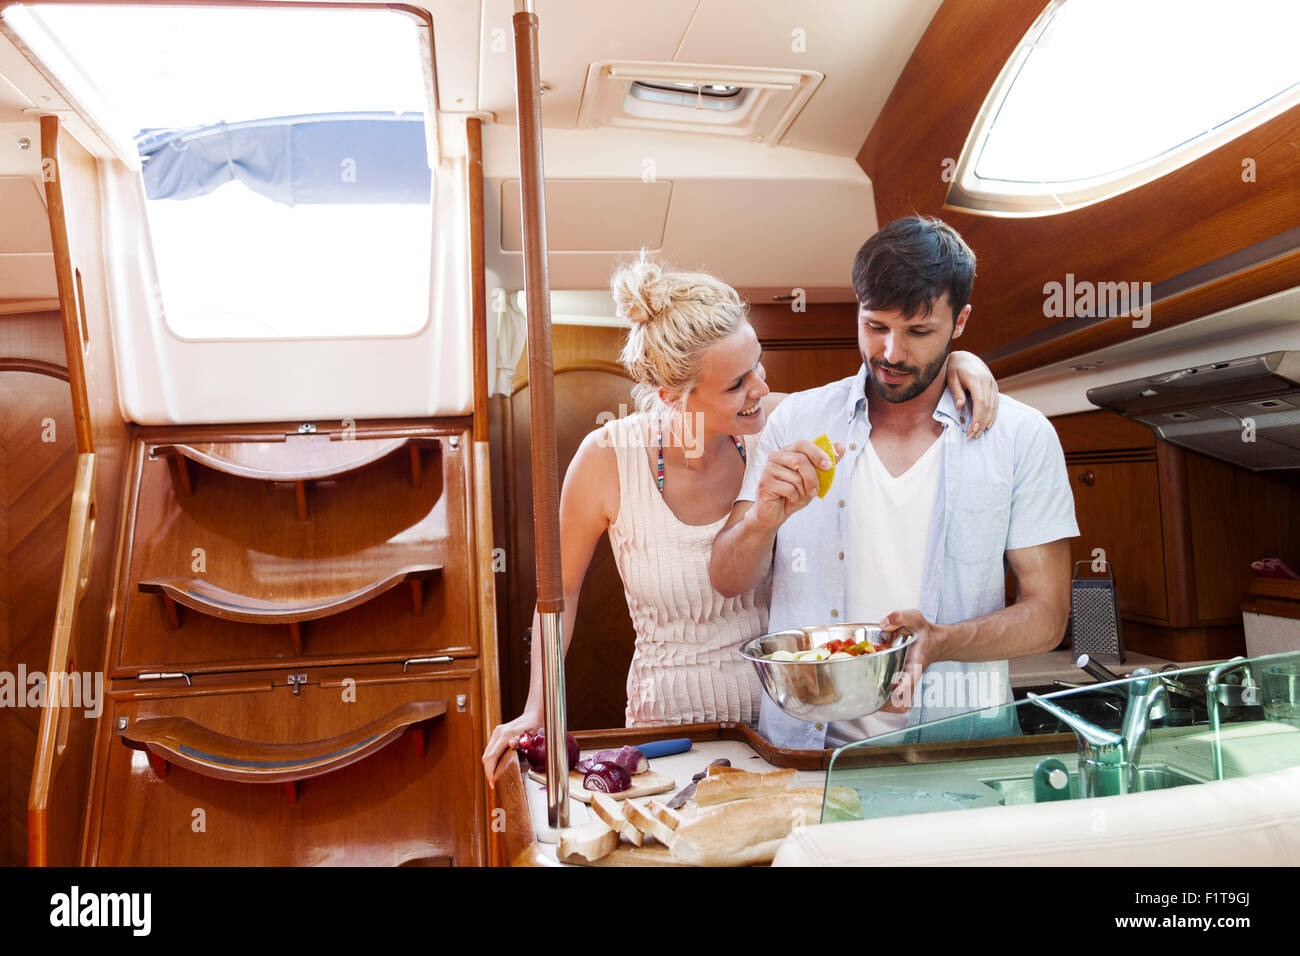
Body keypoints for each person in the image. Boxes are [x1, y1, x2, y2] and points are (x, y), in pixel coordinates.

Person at [482, 252, 1002, 783]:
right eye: (735, 383)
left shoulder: (778, 421)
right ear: (672, 397)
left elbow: (879, 391)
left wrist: (959, 362)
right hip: (664, 731)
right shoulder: (605, 458)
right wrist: (537, 711)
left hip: (783, 726)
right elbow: (558, 595)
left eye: (757, 362)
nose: (760, 386)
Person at [709, 216, 1078, 748]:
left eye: (919, 332)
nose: (891, 353)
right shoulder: (794, 422)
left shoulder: (1021, 438)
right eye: (875, 326)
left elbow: (1048, 617)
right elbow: (726, 579)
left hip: (959, 751)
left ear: (960, 321)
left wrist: (942, 641)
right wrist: (762, 519)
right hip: (807, 751)